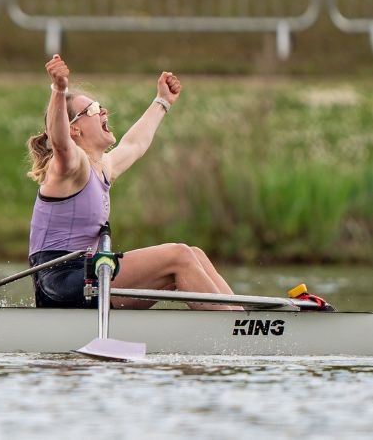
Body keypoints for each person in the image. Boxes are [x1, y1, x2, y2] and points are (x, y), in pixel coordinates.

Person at [27, 55, 238, 310]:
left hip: (89, 273)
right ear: (74, 129)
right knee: (179, 255)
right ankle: (233, 326)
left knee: (195, 254)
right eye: (92, 109)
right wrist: (59, 90)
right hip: (59, 282)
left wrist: (162, 101)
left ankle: (242, 319)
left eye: (100, 106)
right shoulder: (70, 166)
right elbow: (59, 142)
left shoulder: (102, 167)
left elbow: (135, 144)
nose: (103, 110)